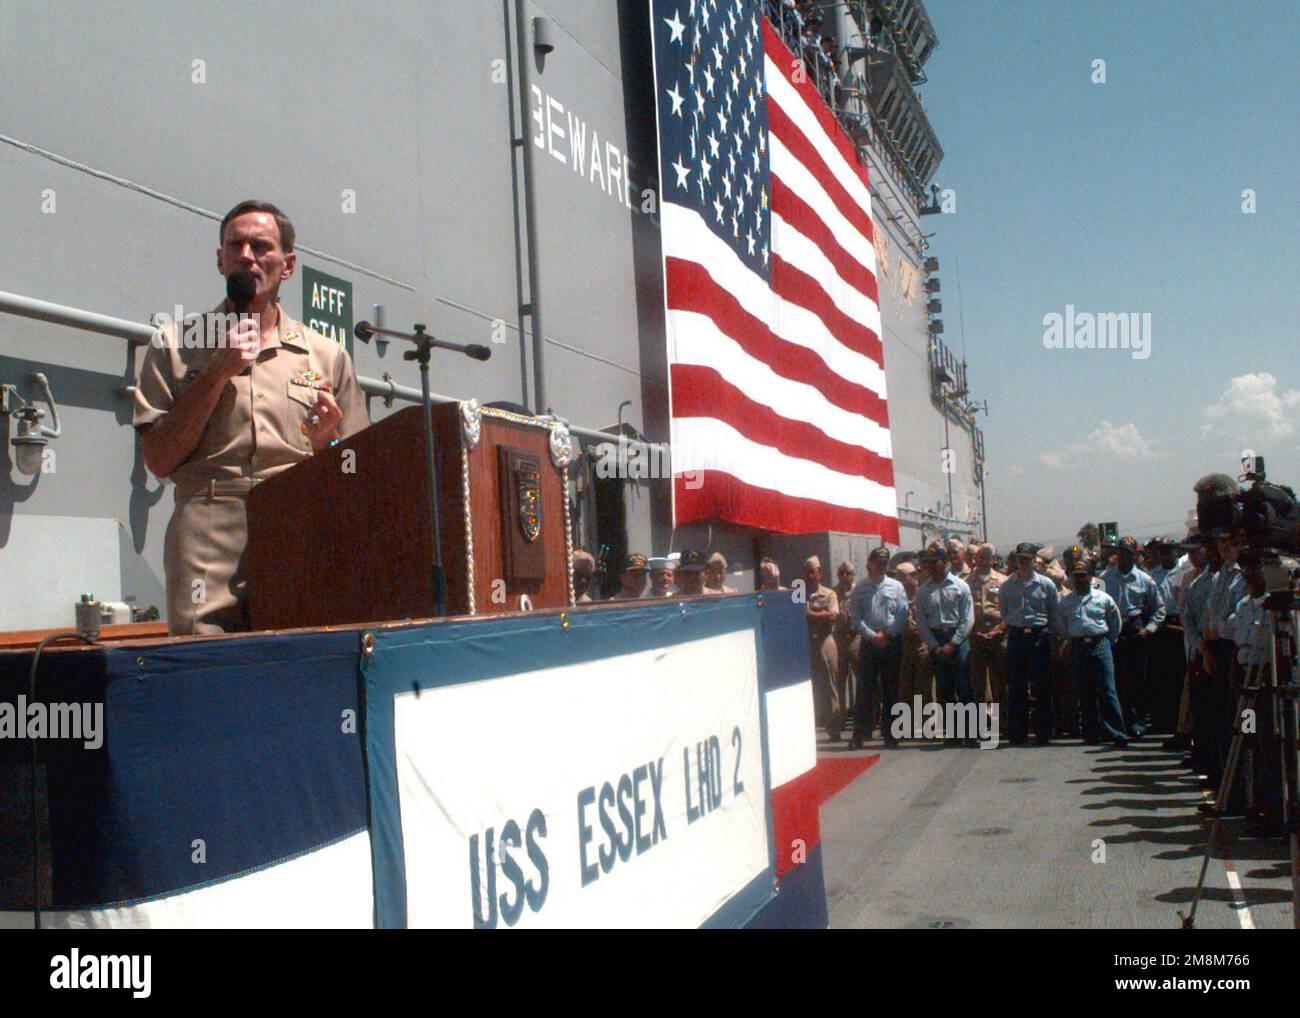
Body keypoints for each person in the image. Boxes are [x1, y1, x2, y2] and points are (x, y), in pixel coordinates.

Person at [134, 199, 370, 635]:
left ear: (288, 264)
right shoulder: (175, 344)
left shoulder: (326, 355)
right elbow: (159, 459)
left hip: (295, 520)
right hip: (207, 524)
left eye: (261, 246)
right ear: (220, 260)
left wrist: (327, 445)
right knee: (204, 660)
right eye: (235, 245)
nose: (246, 255)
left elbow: (358, 473)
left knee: (300, 651)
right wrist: (217, 370)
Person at [1054, 556, 1126, 746]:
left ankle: (1116, 733)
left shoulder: (1103, 598)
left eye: (1084, 575)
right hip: (1077, 645)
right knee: (1085, 691)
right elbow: (1061, 626)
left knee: (1107, 690)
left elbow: (1115, 622)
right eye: (1076, 576)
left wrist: (1109, 640)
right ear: (1071, 577)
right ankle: (1091, 733)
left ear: (1091, 577)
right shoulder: (1066, 602)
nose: (1080, 579)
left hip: (1100, 644)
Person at [1101, 536, 1165, 737]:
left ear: (1135, 555)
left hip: (1136, 630)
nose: (1124, 557)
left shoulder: (1145, 580)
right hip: (1114, 632)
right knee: (1115, 680)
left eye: (1128, 553)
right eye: (1121, 553)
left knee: (1137, 679)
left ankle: (1136, 721)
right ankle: (1117, 722)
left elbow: (1159, 608)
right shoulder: (1105, 578)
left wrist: (1149, 629)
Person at [998, 542, 1059, 745]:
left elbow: (1053, 612)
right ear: (1015, 560)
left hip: (1039, 636)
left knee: (1042, 685)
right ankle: (1018, 733)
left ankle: (1043, 732)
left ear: (1035, 560)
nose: (1023, 563)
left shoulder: (1046, 584)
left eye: (1027, 559)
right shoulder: (1007, 586)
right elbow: (1004, 612)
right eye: (1020, 559)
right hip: (1016, 636)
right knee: (1016, 687)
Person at [915, 543, 976, 745]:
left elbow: (968, 619)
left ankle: (971, 733)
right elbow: (922, 623)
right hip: (937, 641)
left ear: (944, 562)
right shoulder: (923, 591)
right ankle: (952, 734)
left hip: (958, 640)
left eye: (934, 562)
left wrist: (953, 643)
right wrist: (935, 646)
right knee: (944, 689)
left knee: (965, 688)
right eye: (928, 563)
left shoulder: (960, 586)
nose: (931, 566)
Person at [848, 547, 908, 748]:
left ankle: (891, 734)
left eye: (885, 562)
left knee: (891, 687)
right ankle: (860, 733)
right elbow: (855, 616)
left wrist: (888, 634)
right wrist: (872, 636)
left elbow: (902, 613)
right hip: (870, 642)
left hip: (891, 641)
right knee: (865, 688)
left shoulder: (896, 586)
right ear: (870, 563)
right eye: (878, 561)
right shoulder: (860, 588)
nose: (881, 565)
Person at [967, 543, 1008, 728]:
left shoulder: (1003, 581)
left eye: (987, 558)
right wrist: (973, 631)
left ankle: (1004, 722)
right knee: (978, 683)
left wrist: (999, 630)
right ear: (976, 559)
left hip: (998, 636)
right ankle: (981, 723)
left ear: (993, 560)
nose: (983, 561)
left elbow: (1009, 611)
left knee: (1000, 680)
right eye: (980, 557)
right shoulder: (967, 581)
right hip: (975, 637)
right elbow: (964, 612)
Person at [803, 556, 842, 740]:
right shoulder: (799, 594)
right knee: (808, 688)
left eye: (814, 572)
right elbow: (797, 615)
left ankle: (834, 728)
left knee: (829, 686)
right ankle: (810, 730)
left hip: (825, 642)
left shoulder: (829, 594)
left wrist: (813, 615)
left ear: (820, 573)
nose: (811, 575)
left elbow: (834, 615)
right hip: (807, 642)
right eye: (807, 572)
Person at [894, 560, 932, 731]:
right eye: (912, 575)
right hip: (903, 645)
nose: (916, 578)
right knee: (905, 687)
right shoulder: (897, 599)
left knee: (924, 687)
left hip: (921, 644)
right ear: (903, 580)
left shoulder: (923, 595)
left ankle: (926, 724)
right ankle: (906, 726)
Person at [832, 561, 860, 739]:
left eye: (847, 573)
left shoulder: (858, 591)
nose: (844, 576)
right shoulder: (834, 592)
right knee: (839, 680)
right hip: (840, 638)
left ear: (853, 574)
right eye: (841, 573)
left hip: (856, 636)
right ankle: (839, 718)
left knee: (862, 677)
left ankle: (865, 717)